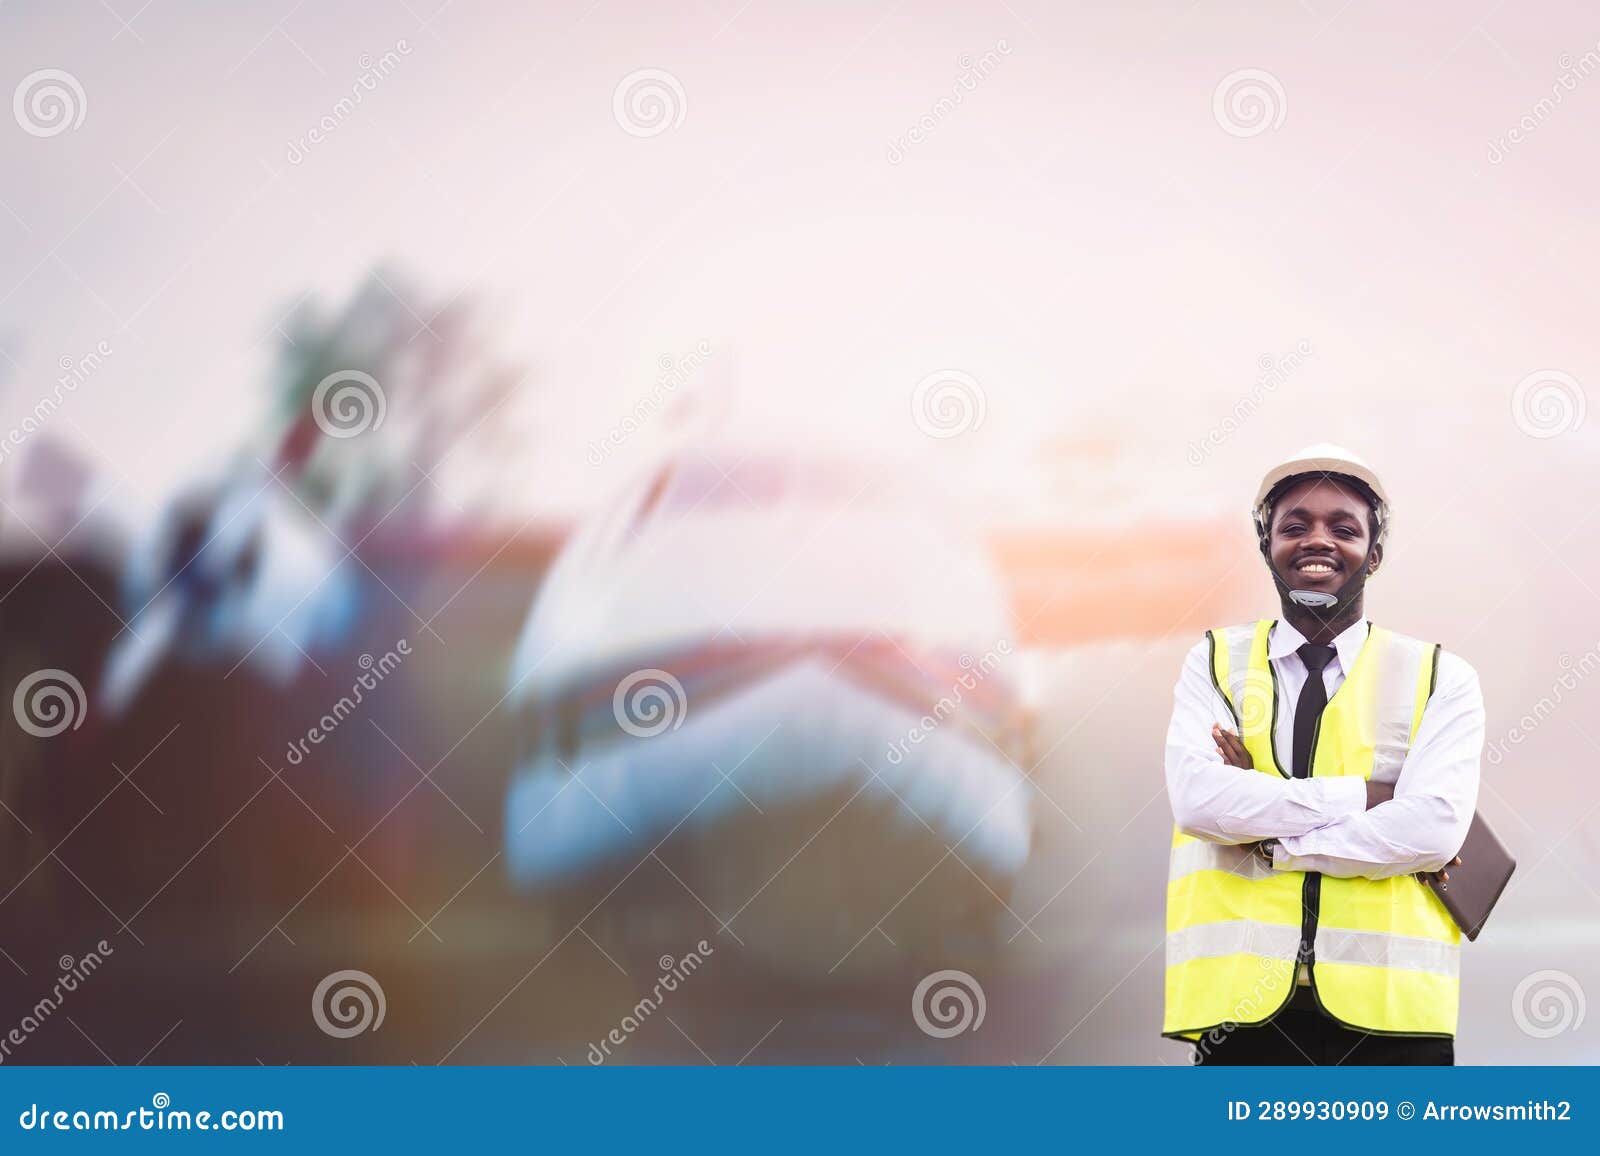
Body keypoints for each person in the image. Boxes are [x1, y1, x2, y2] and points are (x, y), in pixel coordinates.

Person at [1162, 445, 1484, 1065]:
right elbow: (1200, 802)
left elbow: (1434, 827)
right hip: (1244, 1018)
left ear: (1375, 554)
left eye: (1344, 528)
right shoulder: (1214, 662)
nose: (1318, 541)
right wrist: (1365, 794)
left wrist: (1271, 836)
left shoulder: (1441, 675)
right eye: (1295, 526)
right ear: (1266, 548)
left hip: (1392, 1017)